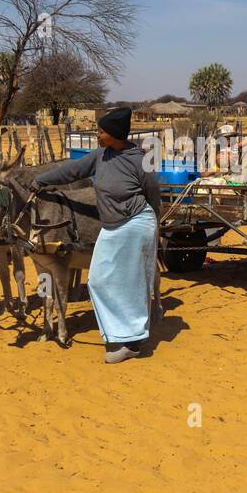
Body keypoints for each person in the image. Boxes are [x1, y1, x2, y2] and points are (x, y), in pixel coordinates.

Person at [32, 107, 161, 364]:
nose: (97, 135)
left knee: (131, 283)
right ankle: (119, 331)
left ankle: (133, 343)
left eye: (101, 131)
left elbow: (153, 195)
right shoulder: (100, 156)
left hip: (136, 223)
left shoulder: (140, 160)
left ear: (114, 134)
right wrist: (40, 180)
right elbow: (71, 171)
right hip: (112, 226)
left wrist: (154, 228)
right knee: (97, 281)